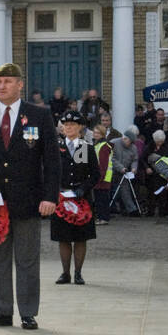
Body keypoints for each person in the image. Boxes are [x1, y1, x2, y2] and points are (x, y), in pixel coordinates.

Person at [0, 63, 59, 331]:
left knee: (27, 260)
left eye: (7, 81)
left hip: (28, 201)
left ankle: (28, 312)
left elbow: (51, 160)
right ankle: (2, 310)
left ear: (20, 85)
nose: (1, 86)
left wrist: (50, 196)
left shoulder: (39, 116)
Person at [51, 112, 99, 284]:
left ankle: (78, 272)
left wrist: (83, 188)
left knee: (80, 237)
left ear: (80, 127)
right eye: (66, 125)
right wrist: (55, 190)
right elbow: (50, 172)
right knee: (63, 237)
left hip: (81, 199)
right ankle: (65, 273)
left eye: (72, 124)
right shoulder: (56, 148)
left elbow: (95, 174)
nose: (68, 127)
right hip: (61, 198)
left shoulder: (86, 148)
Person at [110, 127, 141, 216]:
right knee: (110, 190)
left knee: (125, 190)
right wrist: (120, 168)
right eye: (129, 141)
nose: (129, 144)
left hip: (125, 172)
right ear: (125, 138)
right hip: (112, 171)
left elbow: (135, 160)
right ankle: (110, 207)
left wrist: (134, 168)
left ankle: (132, 210)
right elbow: (112, 158)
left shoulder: (133, 147)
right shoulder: (114, 143)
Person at [91, 123, 113, 225]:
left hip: (102, 177)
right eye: (94, 132)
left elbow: (103, 164)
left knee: (102, 199)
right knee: (100, 198)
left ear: (102, 134)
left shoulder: (103, 146)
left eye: (97, 133)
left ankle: (103, 218)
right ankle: (102, 218)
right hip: (101, 176)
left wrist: (100, 177)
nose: (95, 134)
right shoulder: (99, 145)